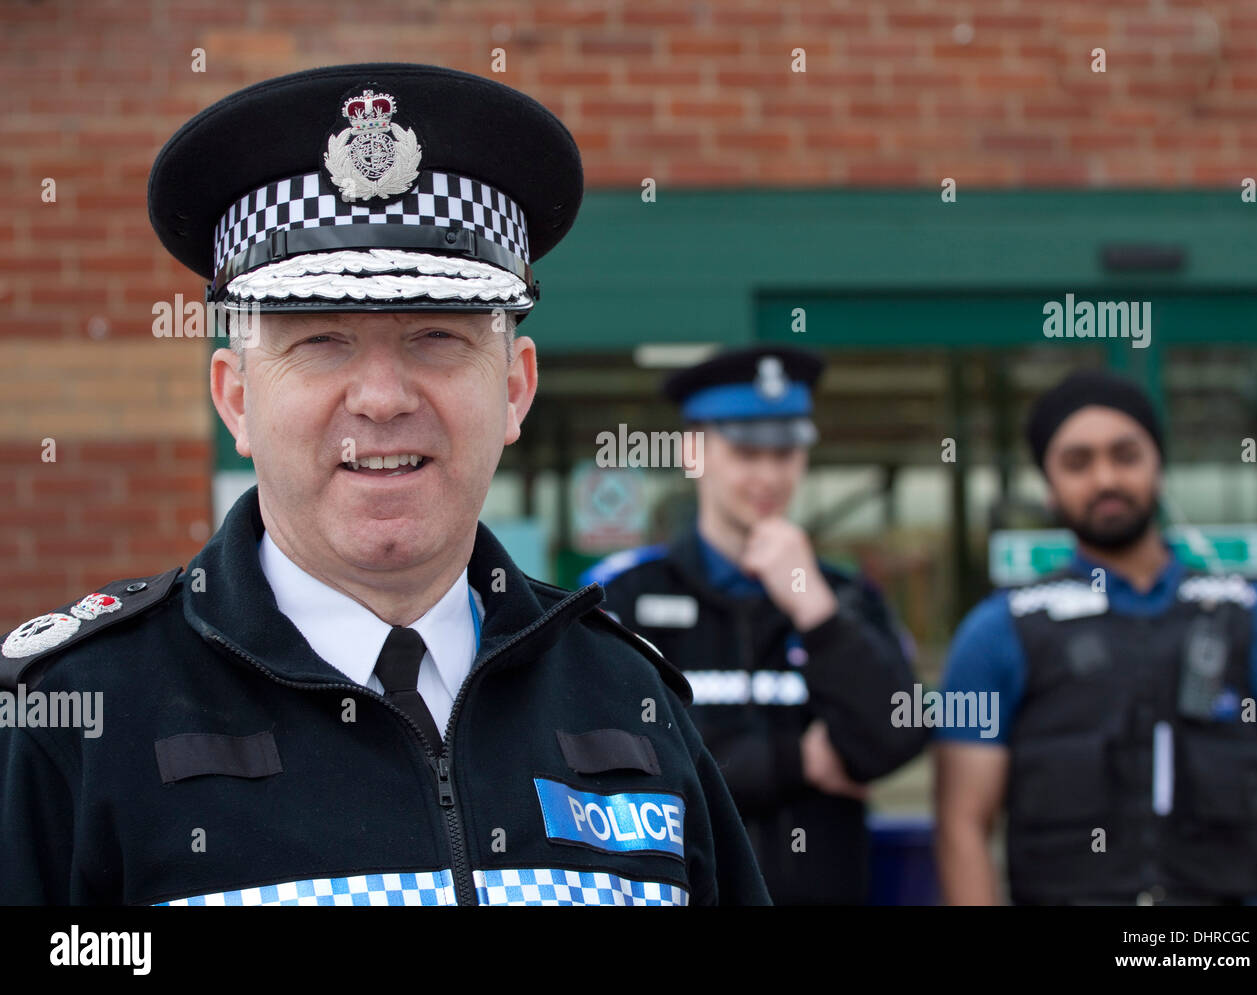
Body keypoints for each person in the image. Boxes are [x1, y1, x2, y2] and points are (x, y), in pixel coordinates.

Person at [0, 63, 769, 906]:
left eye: (436, 336)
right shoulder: (75, 721)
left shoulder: (634, 703)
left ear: (514, 388)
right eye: (321, 340)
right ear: (236, 398)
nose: (382, 399)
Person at [934, 368, 1257, 906]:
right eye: (1077, 462)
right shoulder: (995, 632)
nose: (1105, 479)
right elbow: (961, 826)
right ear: (1048, 483)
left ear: (1159, 465)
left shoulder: (1251, 616)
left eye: (1125, 455)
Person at [581, 345, 926, 904]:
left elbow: (897, 736)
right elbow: (619, 763)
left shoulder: (843, 597)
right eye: (745, 452)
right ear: (695, 454)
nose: (768, 474)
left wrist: (814, 609)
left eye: (786, 452)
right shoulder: (624, 595)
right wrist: (799, 760)